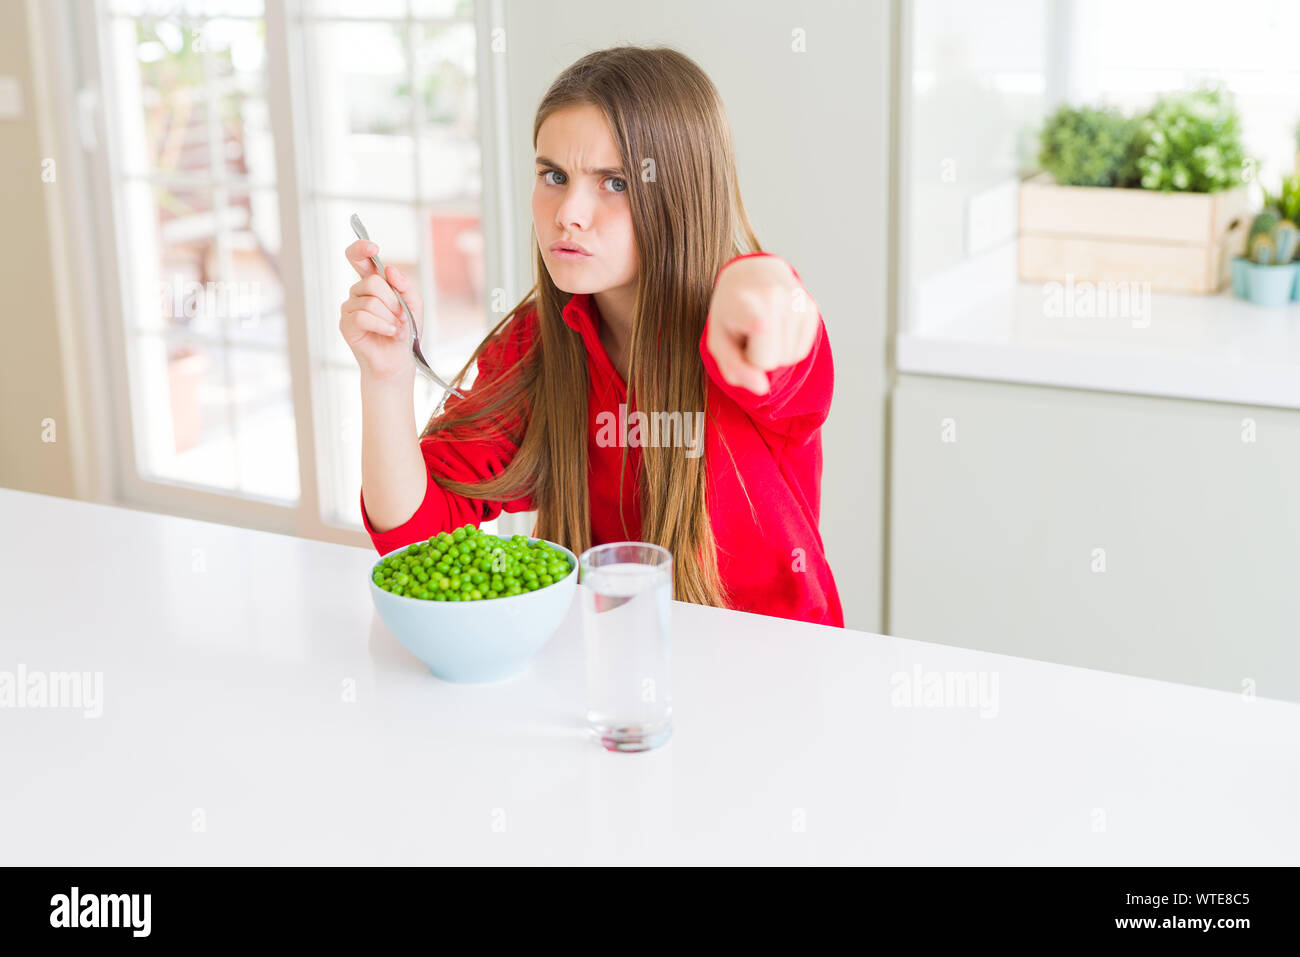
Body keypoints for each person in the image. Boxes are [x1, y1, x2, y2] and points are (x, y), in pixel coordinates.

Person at [340, 45, 842, 627]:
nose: (568, 213)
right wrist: (386, 375)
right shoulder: (535, 346)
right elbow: (413, 528)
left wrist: (763, 288)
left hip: (779, 682)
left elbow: (779, 322)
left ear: (682, 197)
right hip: (612, 671)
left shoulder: (742, 330)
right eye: (554, 176)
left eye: (616, 182)